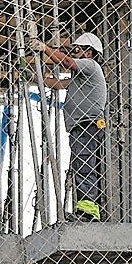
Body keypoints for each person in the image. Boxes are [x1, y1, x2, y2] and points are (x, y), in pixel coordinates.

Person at [40, 32, 107, 221]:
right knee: (81, 165)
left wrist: (45, 48)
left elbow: (67, 63)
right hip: (81, 127)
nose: (74, 54)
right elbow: (58, 84)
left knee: (85, 165)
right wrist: (35, 76)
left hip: (87, 126)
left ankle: (89, 212)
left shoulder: (91, 66)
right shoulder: (80, 78)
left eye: (77, 50)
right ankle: (85, 209)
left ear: (89, 53)